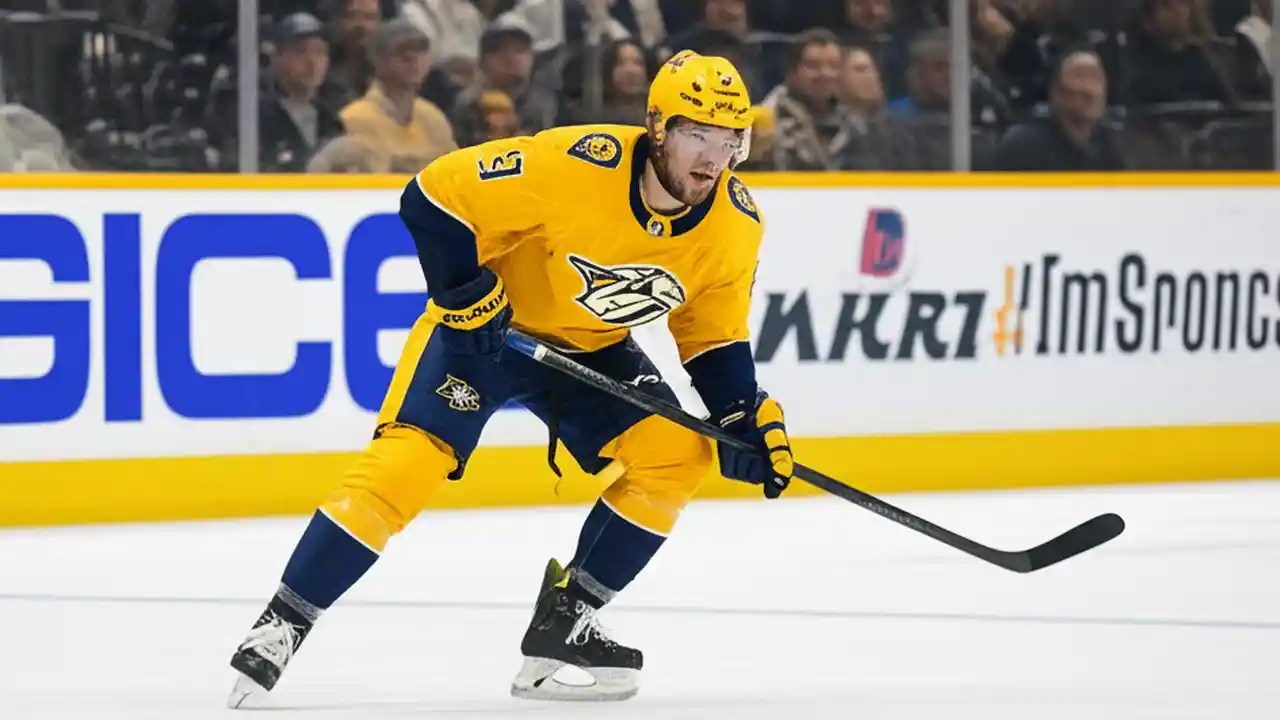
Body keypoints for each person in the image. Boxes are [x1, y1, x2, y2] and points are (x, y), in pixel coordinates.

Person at [226, 49, 794, 706]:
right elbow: (432, 195)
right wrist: (466, 292)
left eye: (729, 139)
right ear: (659, 127)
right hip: (487, 334)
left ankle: (567, 620)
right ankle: (283, 623)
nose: (712, 157)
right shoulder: (575, 165)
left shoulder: (735, 225)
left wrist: (741, 416)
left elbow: (714, 337)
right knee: (407, 464)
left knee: (677, 456)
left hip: (590, 350)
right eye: (698, 132)